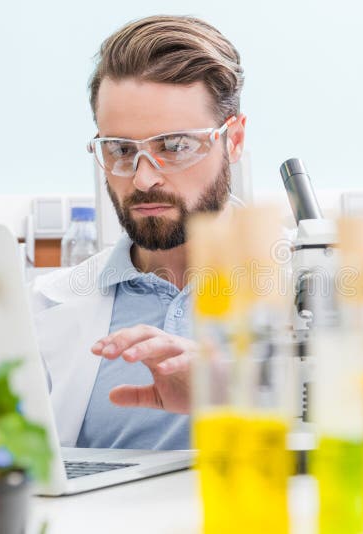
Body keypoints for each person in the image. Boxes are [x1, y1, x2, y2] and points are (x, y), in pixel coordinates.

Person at [30, 15, 246, 450]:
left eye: (174, 146)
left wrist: (242, 387)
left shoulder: (315, 281)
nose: (144, 178)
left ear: (234, 140)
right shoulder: (44, 306)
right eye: (121, 150)